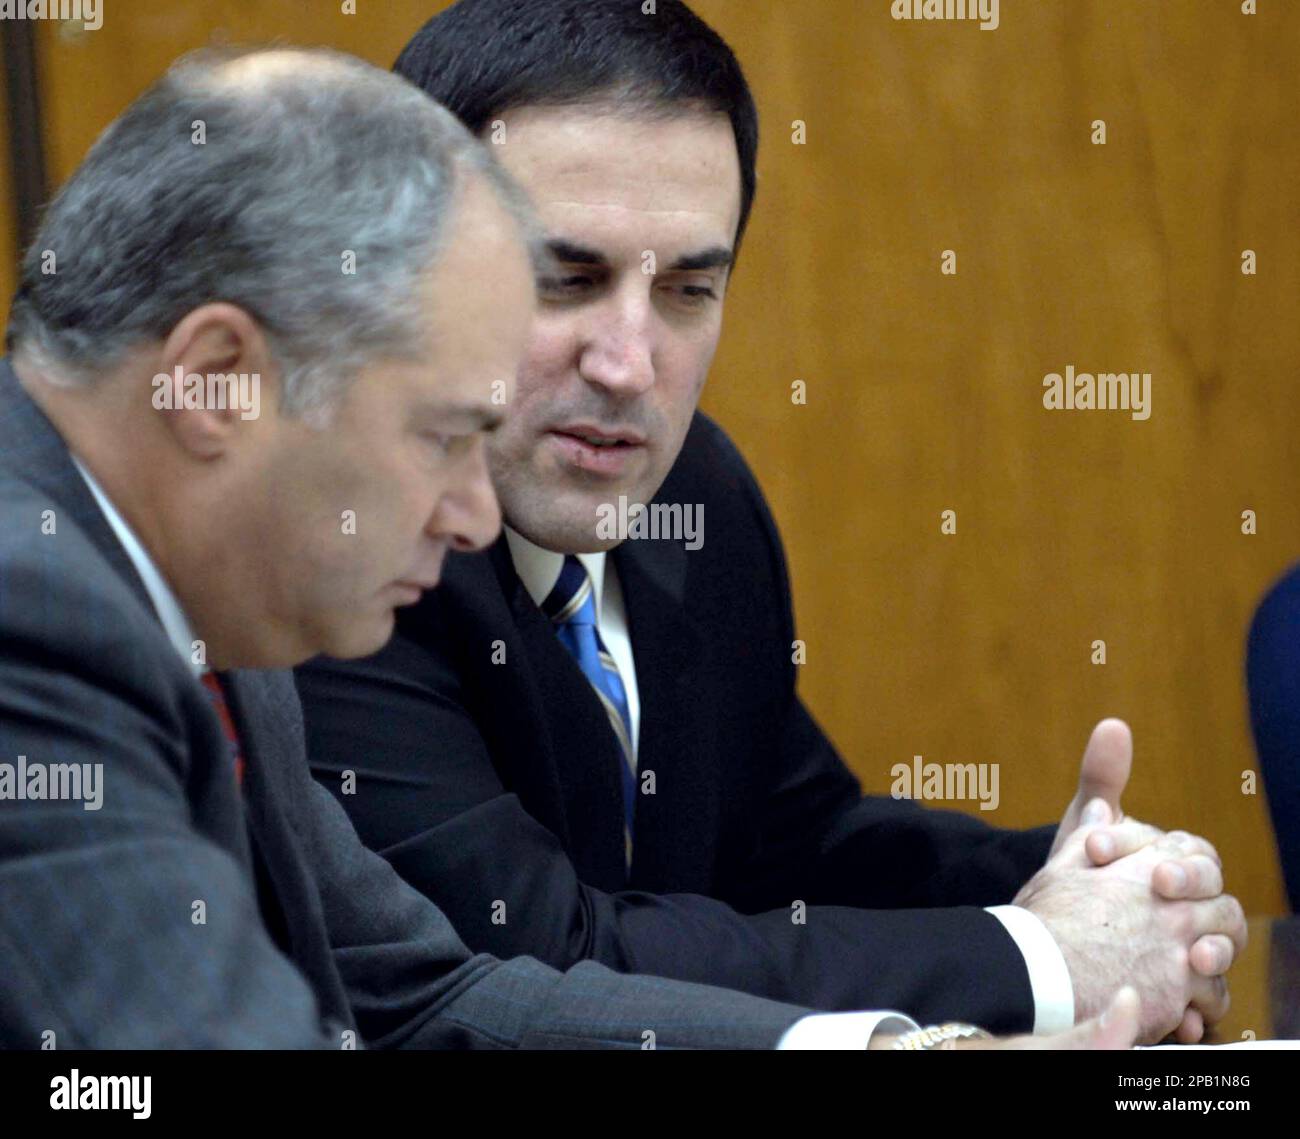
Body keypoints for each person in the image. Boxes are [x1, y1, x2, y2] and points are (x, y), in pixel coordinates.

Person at [295, 0, 1244, 1044]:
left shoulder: (690, 494)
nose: (628, 363)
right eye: (567, 279)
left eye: (688, 289)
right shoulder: (340, 538)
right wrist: (1034, 953)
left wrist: (1087, 880)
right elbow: (544, 954)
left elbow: (788, 845)